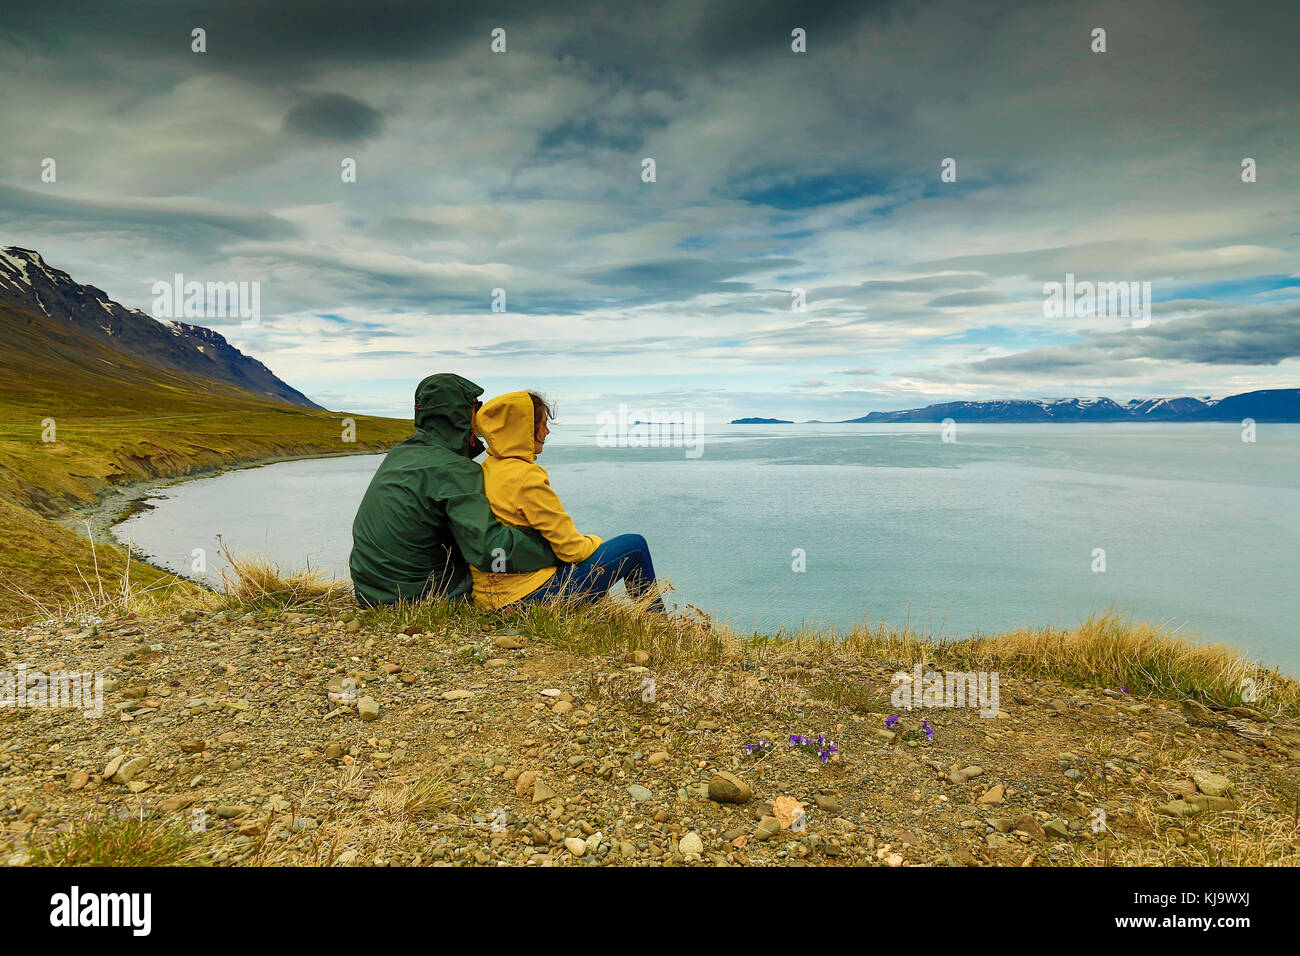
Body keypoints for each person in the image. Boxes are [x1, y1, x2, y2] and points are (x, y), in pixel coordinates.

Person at [349, 373, 557, 606]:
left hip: (370, 591)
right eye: (475, 406)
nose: (479, 414)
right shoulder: (455, 469)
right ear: (457, 412)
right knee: (532, 574)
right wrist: (552, 546)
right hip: (417, 596)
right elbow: (491, 550)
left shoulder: (401, 453)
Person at [471, 390, 665, 612]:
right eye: (542, 424)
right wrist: (596, 541)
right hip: (529, 598)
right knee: (635, 545)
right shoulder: (525, 477)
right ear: (522, 429)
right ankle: (659, 626)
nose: (547, 431)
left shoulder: (487, 468)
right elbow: (570, 549)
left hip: (491, 598)